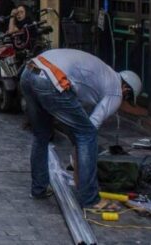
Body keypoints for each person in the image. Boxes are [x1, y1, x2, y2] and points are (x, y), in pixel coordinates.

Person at [20, 49, 142, 209]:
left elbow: (74, 107)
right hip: (51, 79)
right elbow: (89, 128)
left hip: (29, 71)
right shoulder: (116, 92)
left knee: (41, 134)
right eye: (127, 99)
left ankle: (39, 189)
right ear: (126, 90)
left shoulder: (105, 72)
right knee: (87, 135)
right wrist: (79, 156)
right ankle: (90, 198)